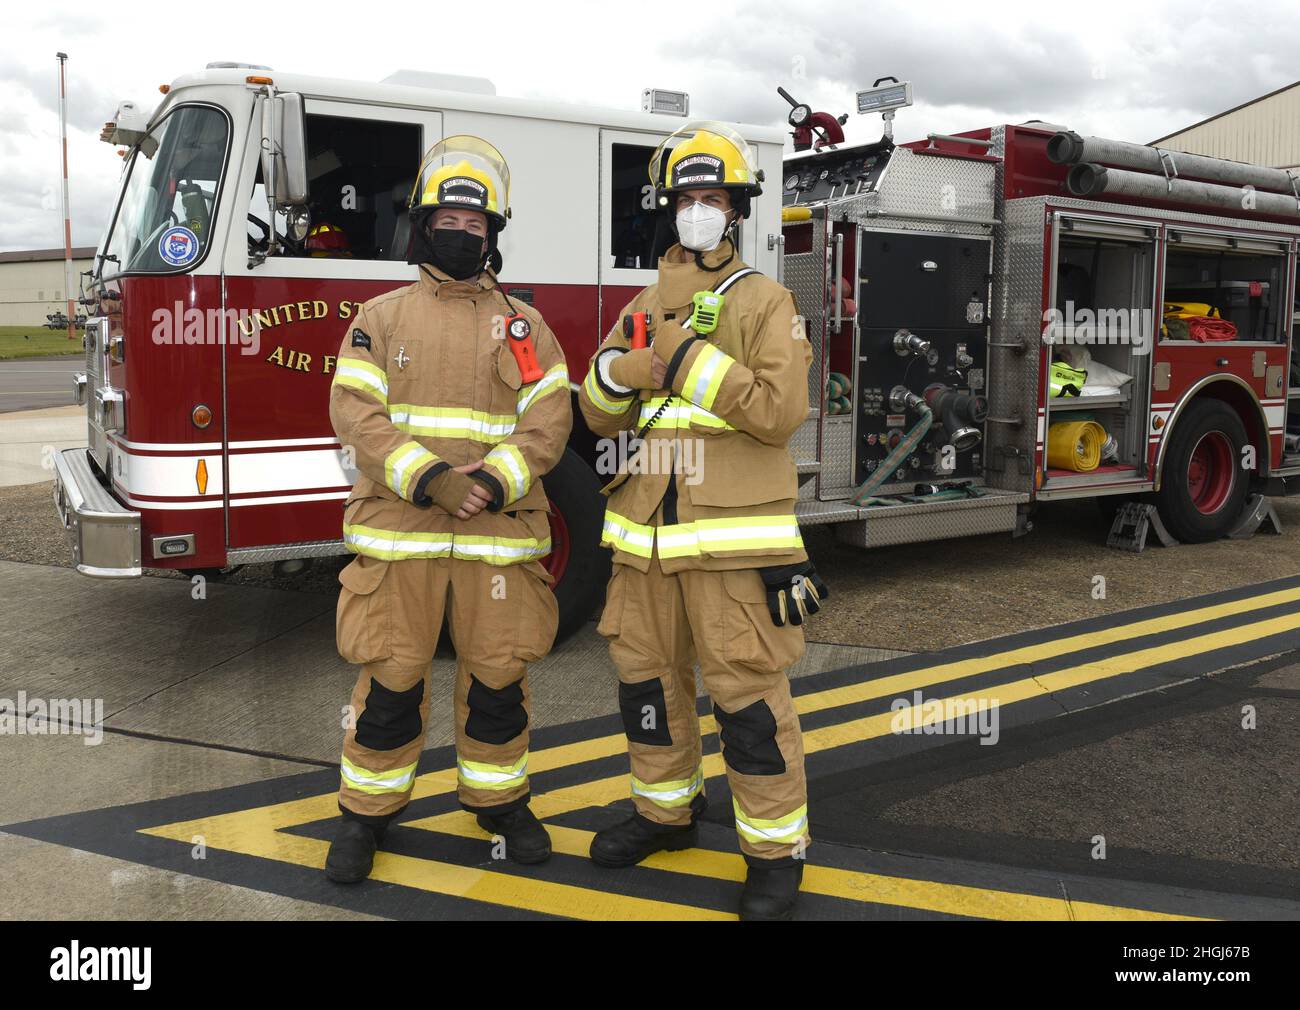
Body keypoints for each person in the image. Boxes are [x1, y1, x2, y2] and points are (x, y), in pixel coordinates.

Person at [578, 121, 827, 920]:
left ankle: (774, 852)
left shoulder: (769, 301)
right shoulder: (643, 305)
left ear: (737, 208)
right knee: (646, 691)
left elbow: (779, 413)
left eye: (712, 197)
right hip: (643, 545)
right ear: (667, 208)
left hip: (729, 551)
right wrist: (624, 369)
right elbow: (596, 411)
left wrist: (684, 362)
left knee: (747, 704)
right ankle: (665, 815)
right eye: (686, 198)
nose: (698, 211)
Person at [324, 136, 571, 882]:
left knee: (498, 685)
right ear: (421, 224)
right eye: (449, 220)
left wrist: (493, 482)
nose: (463, 233)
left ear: (495, 233)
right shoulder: (380, 316)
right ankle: (366, 816)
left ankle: (499, 803)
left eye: (477, 224)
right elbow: (355, 414)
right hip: (403, 538)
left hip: (496, 540)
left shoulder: (526, 327)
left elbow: (549, 420)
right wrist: (431, 479)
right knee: (390, 686)